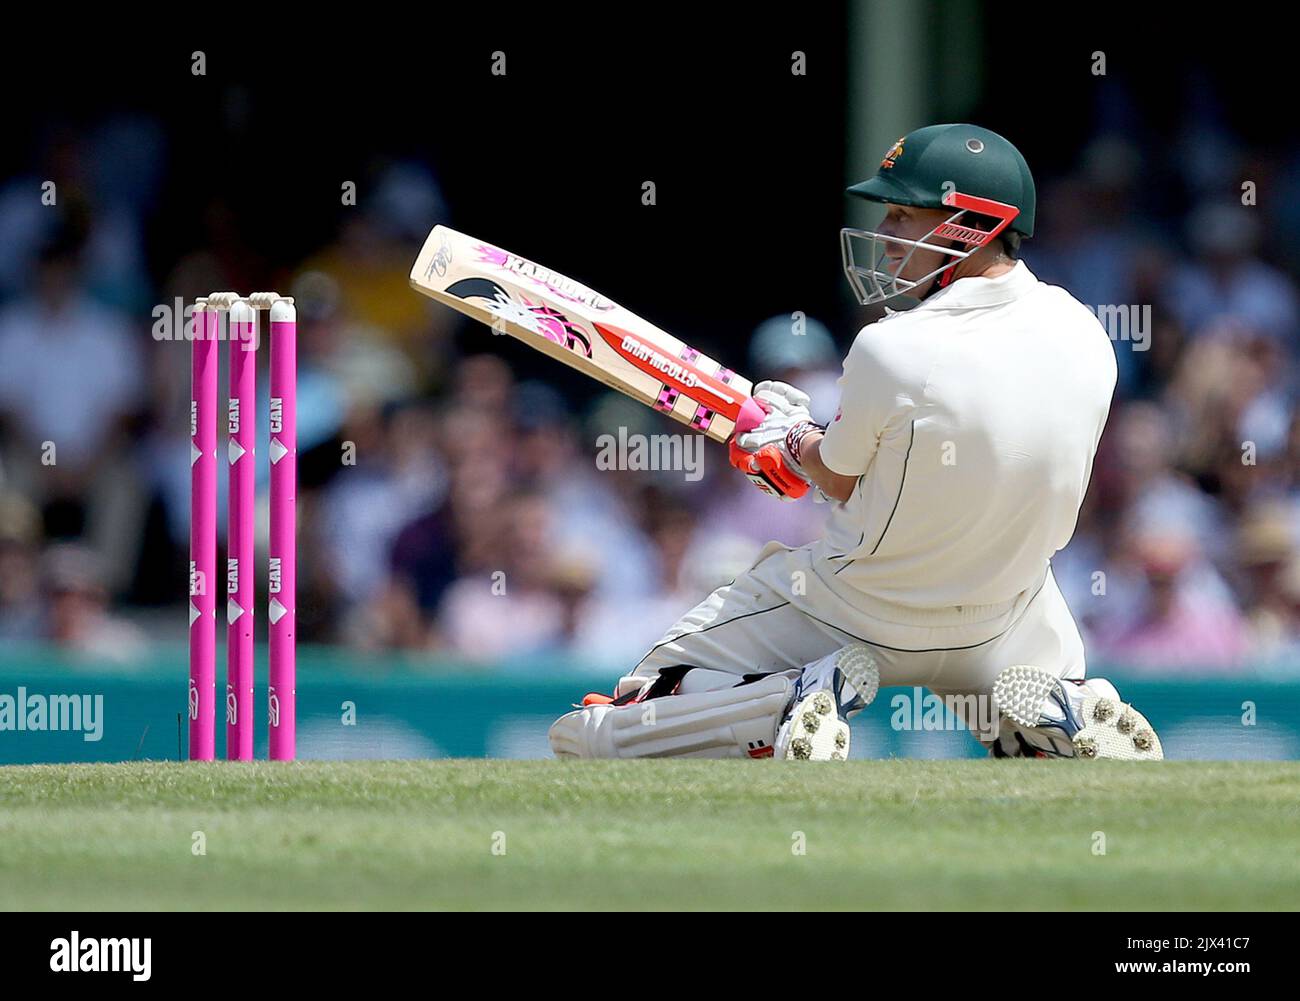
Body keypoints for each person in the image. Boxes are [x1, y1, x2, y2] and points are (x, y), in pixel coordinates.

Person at [549, 124, 1162, 762]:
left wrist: (786, 441)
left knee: (608, 725)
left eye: (903, 215)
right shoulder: (1085, 329)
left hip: (856, 610)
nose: (888, 234)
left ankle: (784, 703)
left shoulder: (893, 345)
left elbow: (834, 476)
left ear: (969, 224)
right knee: (1033, 742)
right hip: (1008, 617)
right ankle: (1057, 713)